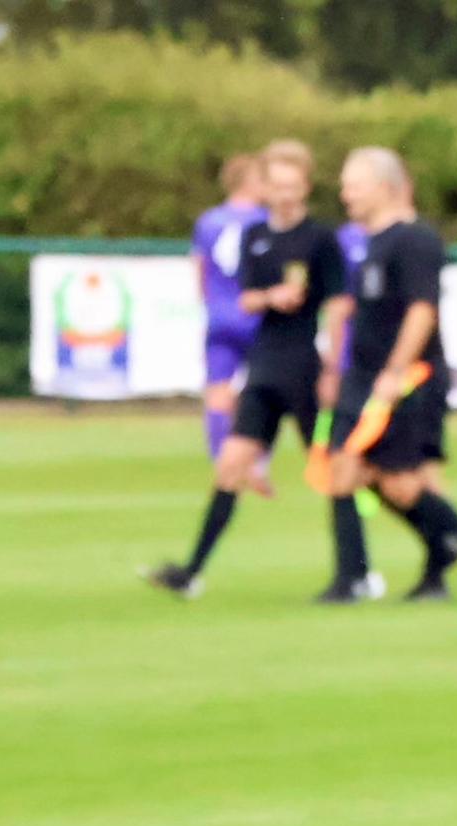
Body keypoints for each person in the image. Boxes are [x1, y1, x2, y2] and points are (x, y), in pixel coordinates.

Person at [148, 141, 347, 598]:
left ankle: (353, 573)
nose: (283, 194)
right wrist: (270, 296)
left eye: (292, 186)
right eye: (276, 185)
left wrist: (333, 367)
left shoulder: (320, 238)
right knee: (231, 465)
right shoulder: (257, 238)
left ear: (305, 188)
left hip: (302, 364)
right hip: (264, 364)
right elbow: (245, 297)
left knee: (333, 467)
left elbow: (337, 305)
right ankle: (191, 572)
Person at [320, 146, 457, 605]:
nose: (346, 195)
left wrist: (395, 372)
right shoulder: (371, 243)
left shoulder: (416, 240)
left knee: (402, 485)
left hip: (404, 380)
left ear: (385, 187)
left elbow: (422, 312)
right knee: (345, 470)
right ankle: (351, 579)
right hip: (363, 378)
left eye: (354, 185)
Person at [190, 154, 266, 473]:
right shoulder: (265, 221)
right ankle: (256, 459)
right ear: (250, 182)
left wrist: (211, 305)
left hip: (221, 315)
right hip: (257, 316)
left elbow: (199, 269)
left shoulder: (208, 221)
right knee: (261, 388)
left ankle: (221, 457)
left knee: (218, 389)